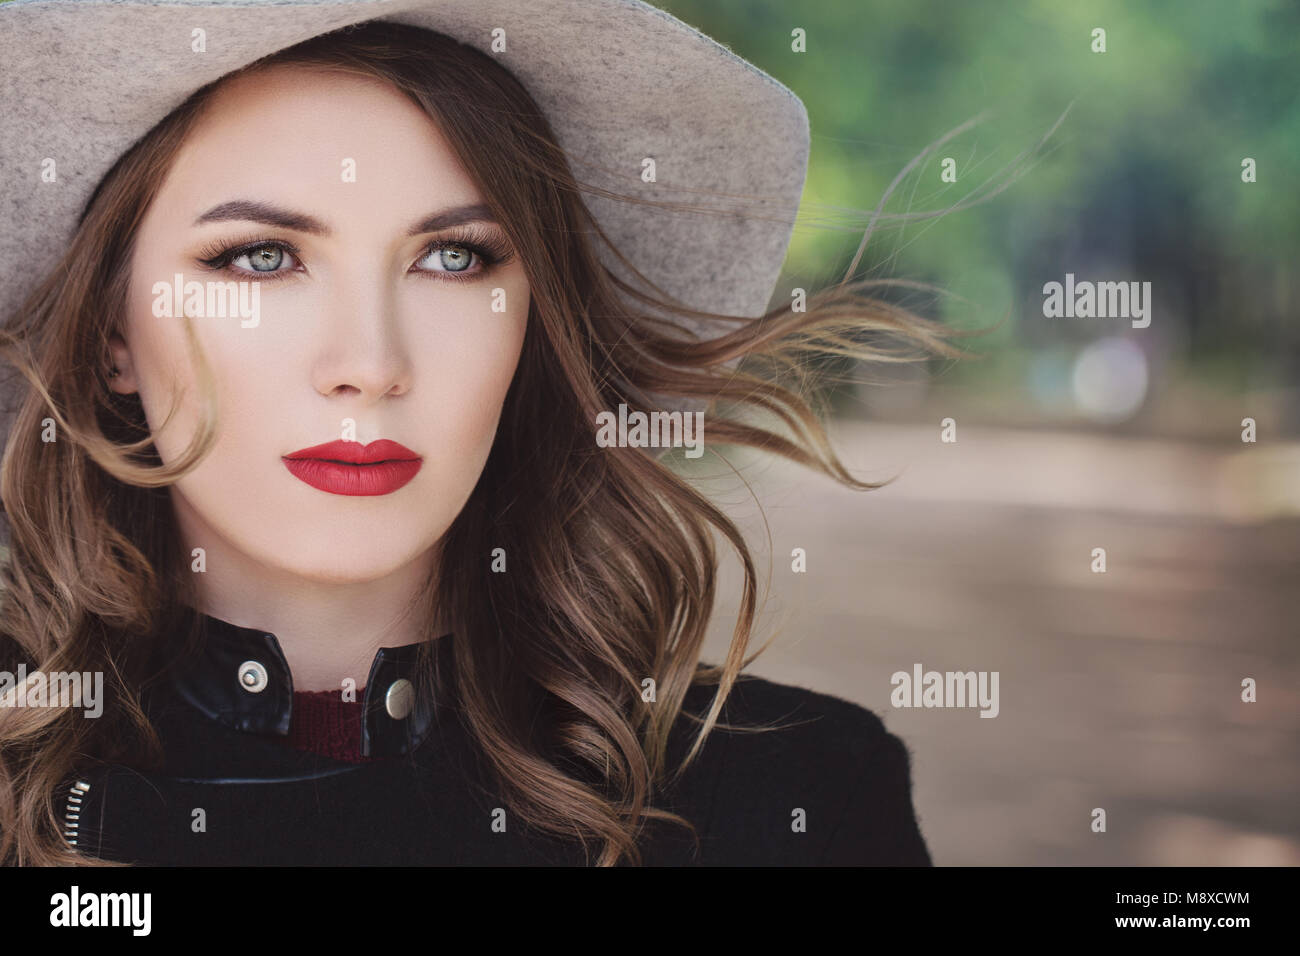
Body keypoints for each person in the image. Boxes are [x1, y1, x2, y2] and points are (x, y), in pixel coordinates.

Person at [0, 0, 956, 866]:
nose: (369, 363)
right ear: (109, 337)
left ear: (530, 319)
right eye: (262, 257)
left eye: (453, 258)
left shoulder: (799, 799)